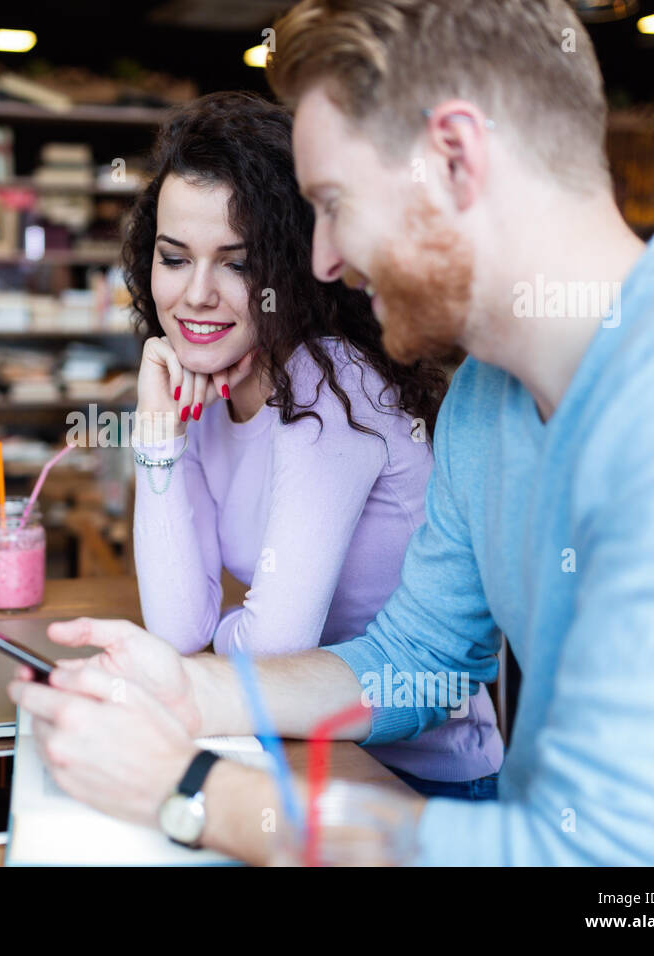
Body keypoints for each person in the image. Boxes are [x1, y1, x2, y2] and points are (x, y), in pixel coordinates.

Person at [9, 0, 654, 865]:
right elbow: (420, 658)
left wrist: (191, 793)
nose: (322, 259)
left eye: (333, 204)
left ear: (454, 157)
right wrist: (192, 689)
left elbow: (613, 874)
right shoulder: (487, 394)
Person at [123, 90, 502, 798]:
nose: (196, 294)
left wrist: (229, 633)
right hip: (301, 752)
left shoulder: (333, 383)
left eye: (237, 263)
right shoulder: (204, 384)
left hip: (420, 780)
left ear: (291, 267)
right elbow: (177, 628)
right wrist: (158, 437)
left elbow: (275, 647)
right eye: (175, 258)